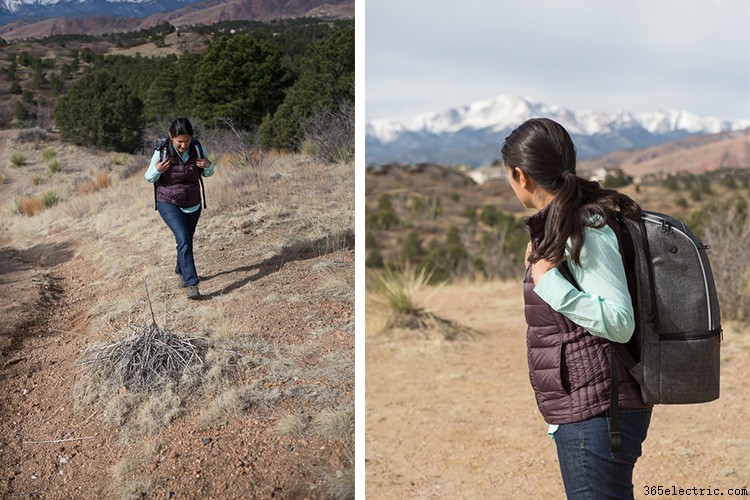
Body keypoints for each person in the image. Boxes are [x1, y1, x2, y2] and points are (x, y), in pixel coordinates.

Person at [501, 118, 651, 499]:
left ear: (521, 176)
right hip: (587, 406)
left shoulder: (587, 228)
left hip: (598, 412)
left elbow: (619, 322)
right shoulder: (561, 228)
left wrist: (548, 282)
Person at [145, 118, 214, 300]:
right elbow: (149, 177)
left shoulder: (197, 148)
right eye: (180, 141)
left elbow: (208, 172)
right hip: (168, 201)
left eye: (187, 141)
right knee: (183, 238)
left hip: (193, 202)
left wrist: (208, 166)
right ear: (171, 137)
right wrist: (158, 170)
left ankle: (180, 269)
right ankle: (192, 283)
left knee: (186, 240)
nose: (184, 145)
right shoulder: (163, 150)